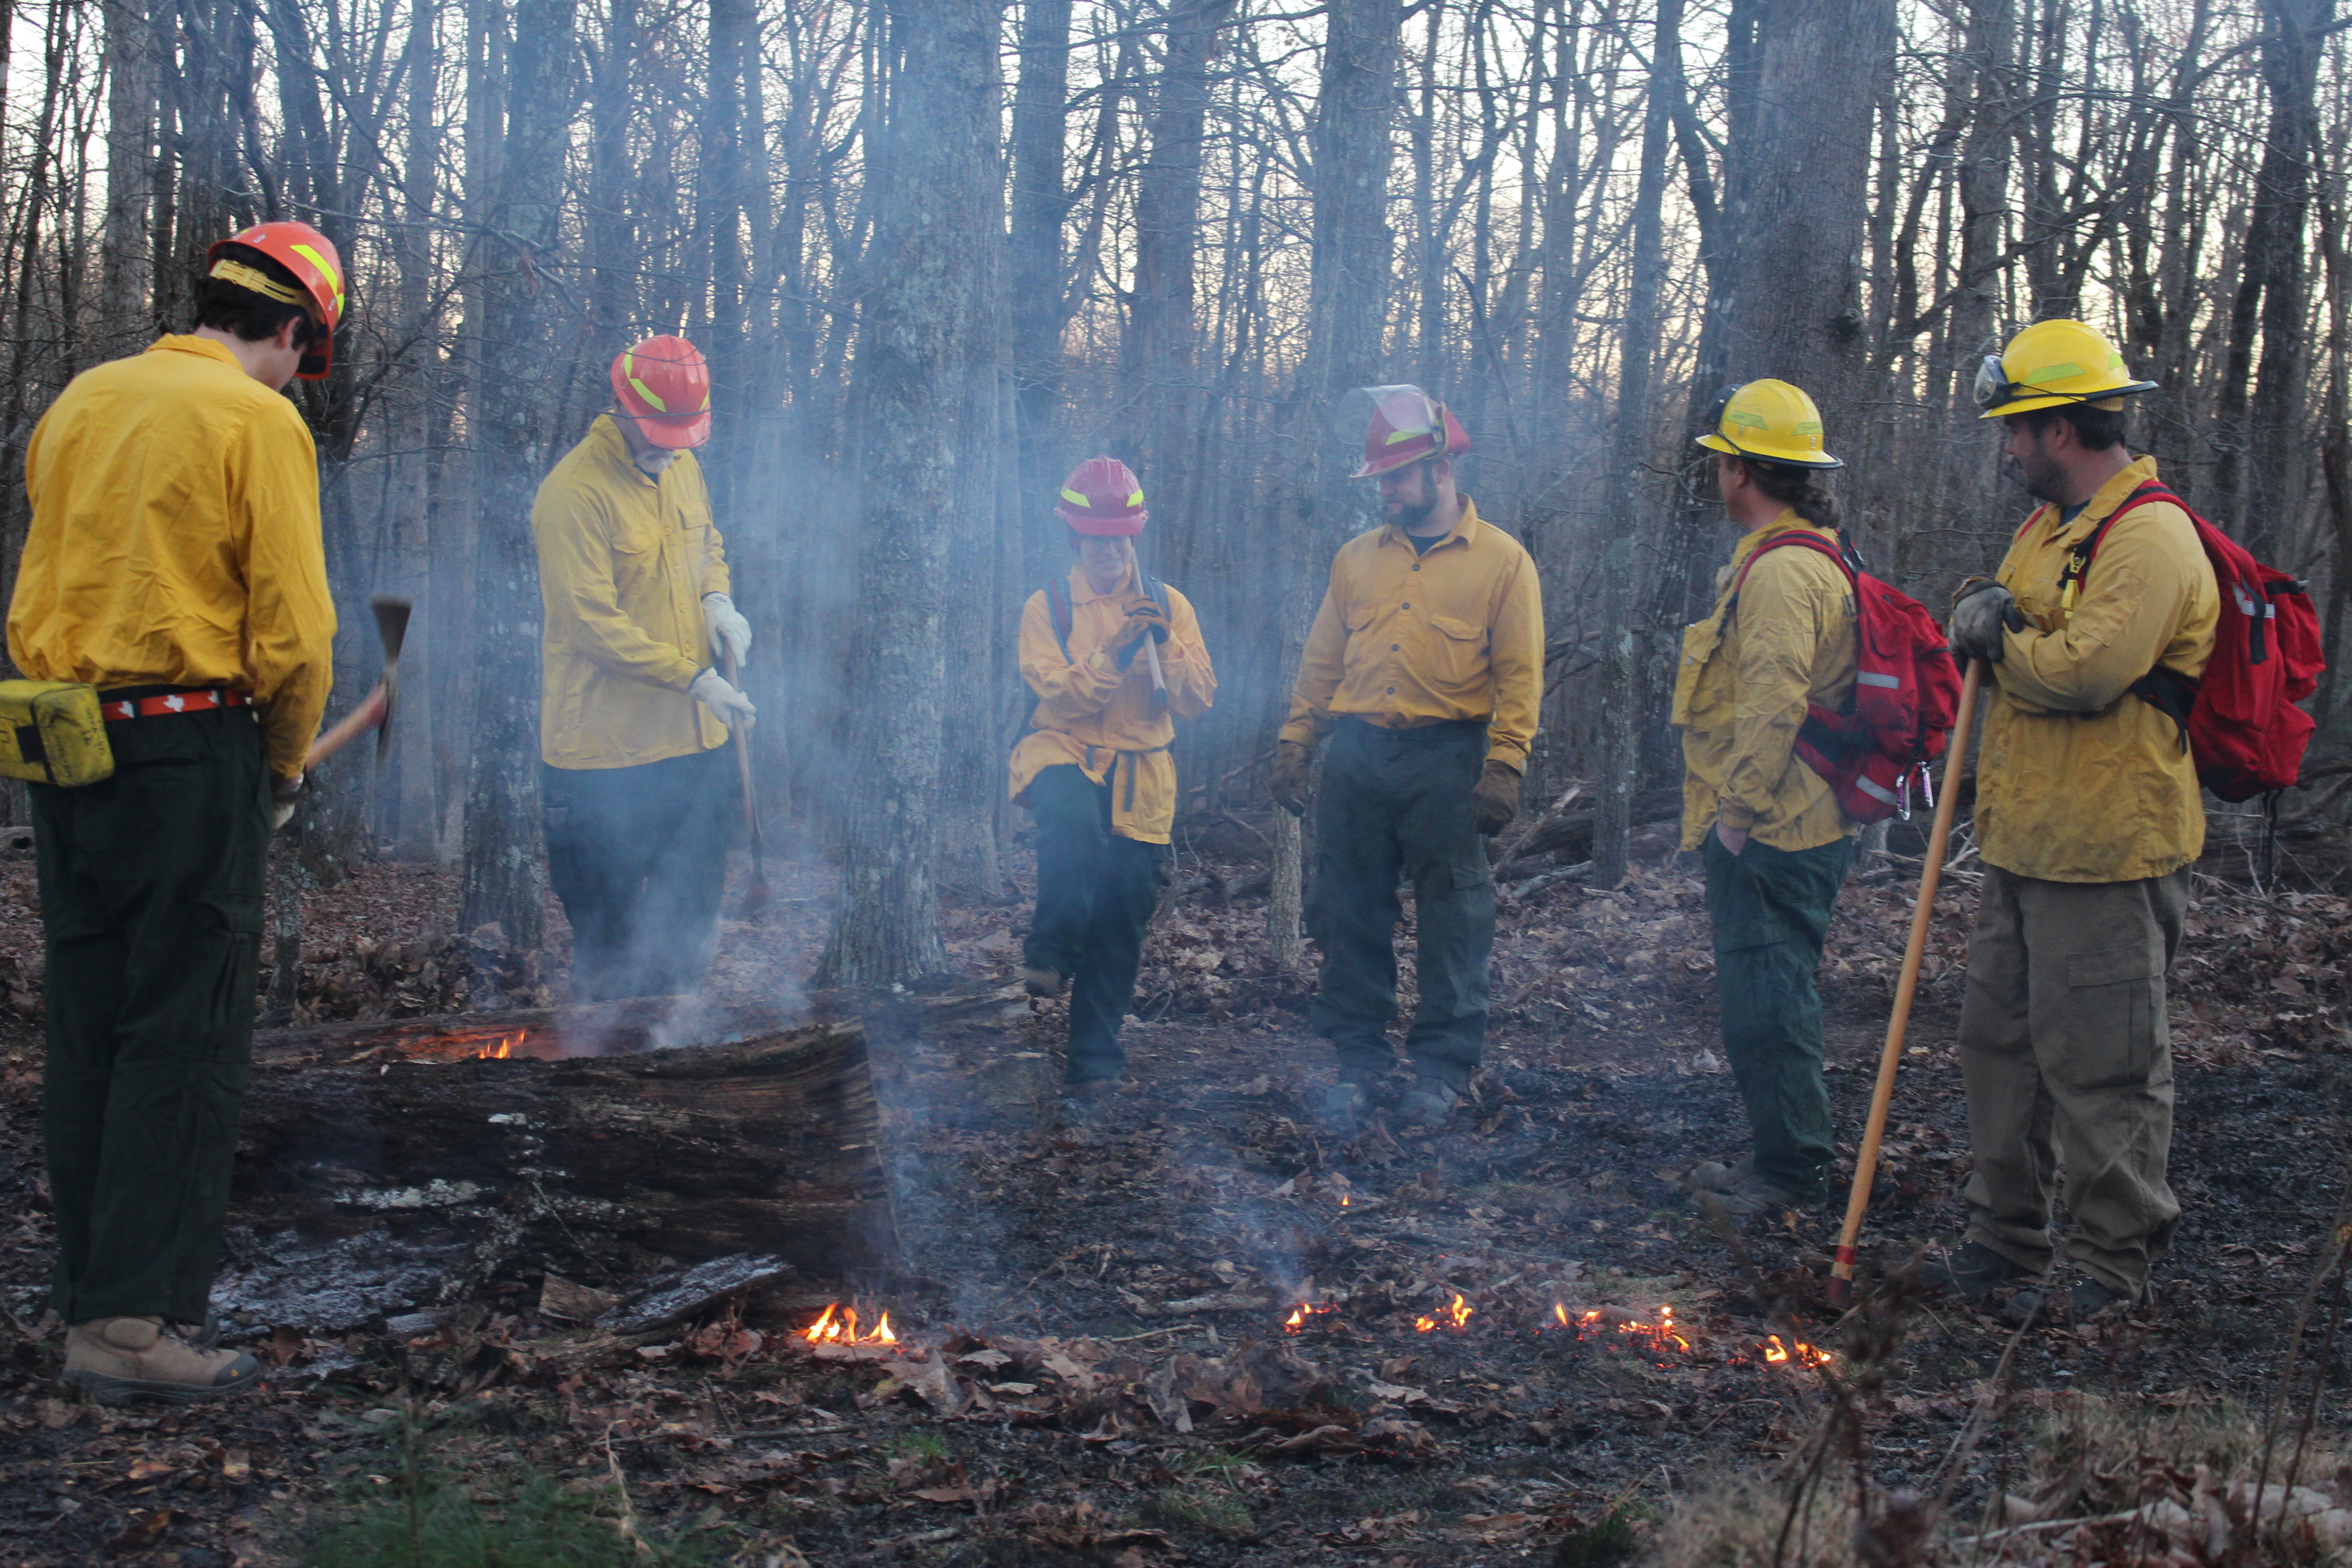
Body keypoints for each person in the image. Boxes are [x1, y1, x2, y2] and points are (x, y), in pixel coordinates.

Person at [9, 222, 342, 1402]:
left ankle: (88, 1295)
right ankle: (134, 1326)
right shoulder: (257, 422)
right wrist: (284, 767)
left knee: (90, 1012)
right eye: (305, 352)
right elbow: (297, 633)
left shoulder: (85, 401)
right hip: (189, 743)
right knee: (183, 1026)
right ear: (295, 334)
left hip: (61, 740)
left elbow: (44, 576)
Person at [1928, 319, 2218, 1317]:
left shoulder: (2150, 534)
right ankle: (2003, 1240)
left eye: (2016, 429)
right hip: (2024, 840)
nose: (2007, 448)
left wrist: (2000, 643)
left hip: (2108, 848)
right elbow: (2003, 604)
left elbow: (2086, 671)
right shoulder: (2052, 528)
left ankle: (2108, 1267)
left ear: (2061, 427)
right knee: (1998, 1047)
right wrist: (1980, 605)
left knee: (2104, 1066)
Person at [1274, 387, 1543, 1132]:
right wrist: (1298, 740)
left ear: (1438, 466)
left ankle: (1442, 1069)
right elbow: (1322, 659)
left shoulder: (1503, 564)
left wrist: (1507, 764)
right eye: (1382, 479)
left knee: (1456, 915)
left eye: (1396, 477)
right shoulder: (1356, 560)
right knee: (1348, 908)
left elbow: (1521, 674)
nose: (1386, 491)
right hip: (1357, 755)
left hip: (1447, 757)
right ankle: (1358, 1057)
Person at [1671, 380, 1860, 1217]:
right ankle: (1778, 1160)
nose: (1717, 477)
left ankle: (1792, 1176)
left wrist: (1736, 818)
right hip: (1782, 819)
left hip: (1778, 827)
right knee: (1760, 997)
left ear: (1743, 473)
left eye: (1722, 463)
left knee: (1772, 1001)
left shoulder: (1784, 573)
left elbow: (1774, 702)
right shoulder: (1790, 557)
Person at [534, 334, 754, 1002]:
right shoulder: (573, 494)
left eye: (684, 434)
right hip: (605, 757)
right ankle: (603, 1086)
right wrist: (696, 679)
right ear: (623, 407)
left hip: (693, 745)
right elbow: (591, 626)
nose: (671, 446)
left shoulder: (681, 464)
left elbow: (706, 541)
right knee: (609, 944)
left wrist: (718, 598)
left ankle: (675, 1062)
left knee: (691, 926)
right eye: (661, 432)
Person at [1010, 458, 1215, 1112]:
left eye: (1120, 539)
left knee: (1124, 910)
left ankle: (1094, 1064)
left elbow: (1198, 698)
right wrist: (1117, 652)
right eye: (1097, 540)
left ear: (1135, 536)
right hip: (1062, 747)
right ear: (1077, 538)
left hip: (1143, 769)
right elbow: (1061, 697)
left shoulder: (1169, 602)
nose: (1110, 552)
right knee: (1070, 824)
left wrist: (1165, 647)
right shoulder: (1046, 607)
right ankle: (1048, 951)